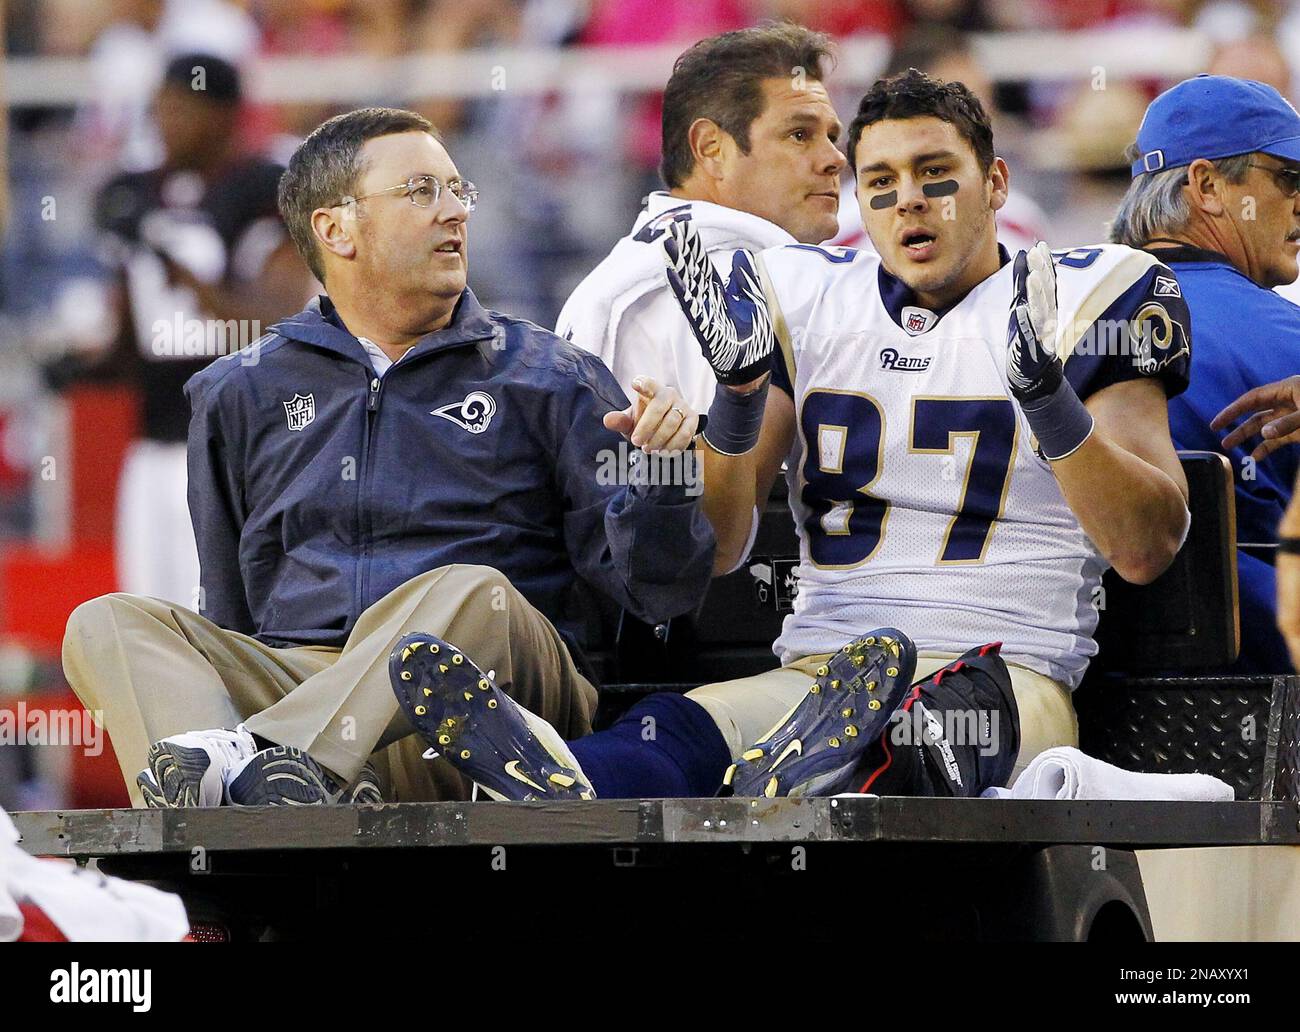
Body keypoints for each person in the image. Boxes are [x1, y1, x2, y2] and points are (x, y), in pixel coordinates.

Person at [393, 70, 1193, 802]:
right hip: (828, 672)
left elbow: (1146, 547)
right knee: (678, 731)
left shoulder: (1085, 295)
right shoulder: (807, 295)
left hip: (1006, 675)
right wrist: (737, 399)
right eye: (879, 182)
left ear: (995, 183)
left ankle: (822, 768)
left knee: (942, 731)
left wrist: (1049, 400)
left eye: (934, 173)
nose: (908, 199)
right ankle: (555, 772)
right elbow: (723, 543)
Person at [60, 106, 716, 808]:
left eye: (457, 190)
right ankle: (257, 797)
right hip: (307, 684)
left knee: (467, 591)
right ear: (335, 228)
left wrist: (664, 479)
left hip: (487, 706)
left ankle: (270, 772)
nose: (454, 212)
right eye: (420, 192)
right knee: (105, 623)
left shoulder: (550, 376)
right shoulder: (240, 391)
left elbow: (658, 595)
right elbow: (230, 608)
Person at [77, 53, 313, 607]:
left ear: (226, 114)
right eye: (159, 106)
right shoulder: (132, 190)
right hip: (150, 438)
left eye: (181, 107)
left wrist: (178, 269)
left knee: (213, 622)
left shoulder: (265, 187)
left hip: (229, 443)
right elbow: (139, 335)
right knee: (144, 618)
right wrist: (90, 364)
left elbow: (273, 323)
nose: (164, 120)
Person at [1110, 74, 1300, 673]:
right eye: (1288, 179)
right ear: (1208, 186)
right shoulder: (1283, 340)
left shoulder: (1048, 310)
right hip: (1268, 700)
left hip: (1070, 693)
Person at [557, 24, 846, 417]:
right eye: (799, 135)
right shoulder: (718, 286)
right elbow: (733, 479)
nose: (835, 158)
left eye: (831, 136)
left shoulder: (628, 270)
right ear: (712, 149)